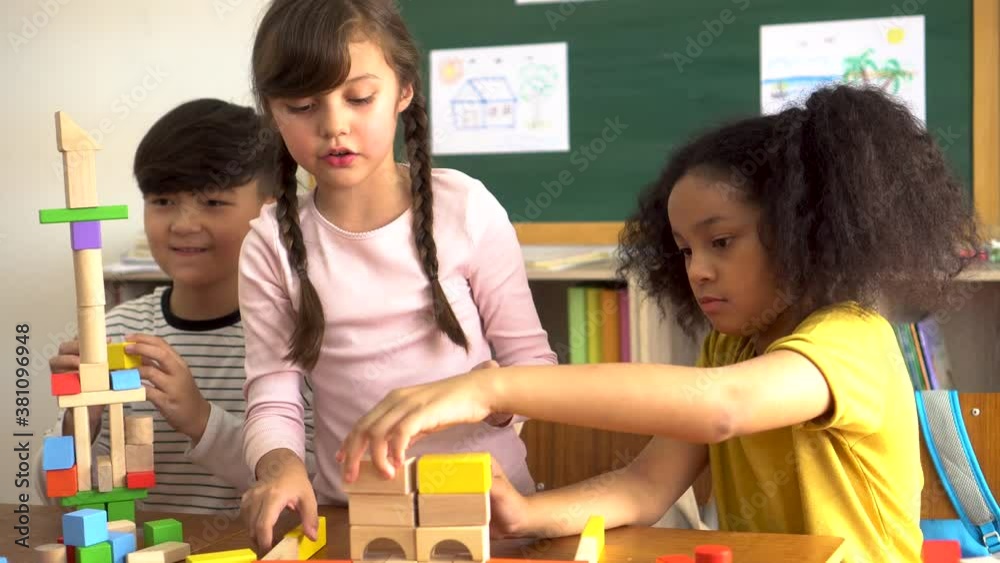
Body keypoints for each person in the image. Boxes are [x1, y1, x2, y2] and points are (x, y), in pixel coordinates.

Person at [339, 85, 982, 562]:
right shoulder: (729, 346)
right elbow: (645, 487)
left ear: (799, 232)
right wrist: (527, 514)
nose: (697, 270)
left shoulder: (852, 338)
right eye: (683, 250)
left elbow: (722, 408)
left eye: (721, 242)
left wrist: (490, 387)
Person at [237, 0, 557, 549]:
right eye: (301, 105)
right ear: (271, 110)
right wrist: (279, 465)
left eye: (359, 97)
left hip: (489, 514)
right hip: (357, 521)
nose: (334, 124)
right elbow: (273, 391)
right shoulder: (270, 243)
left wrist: (486, 401)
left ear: (403, 90)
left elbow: (534, 369)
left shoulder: (466, 209)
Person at [46, 98, 315, 514]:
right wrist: (82, 418)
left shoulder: (299, 334)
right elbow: (55, 496)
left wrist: (201, 419)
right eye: (163, 201)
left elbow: (312, 484)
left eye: (213, 202)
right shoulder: (117, 331)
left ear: (272, 209)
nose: (184, 224)